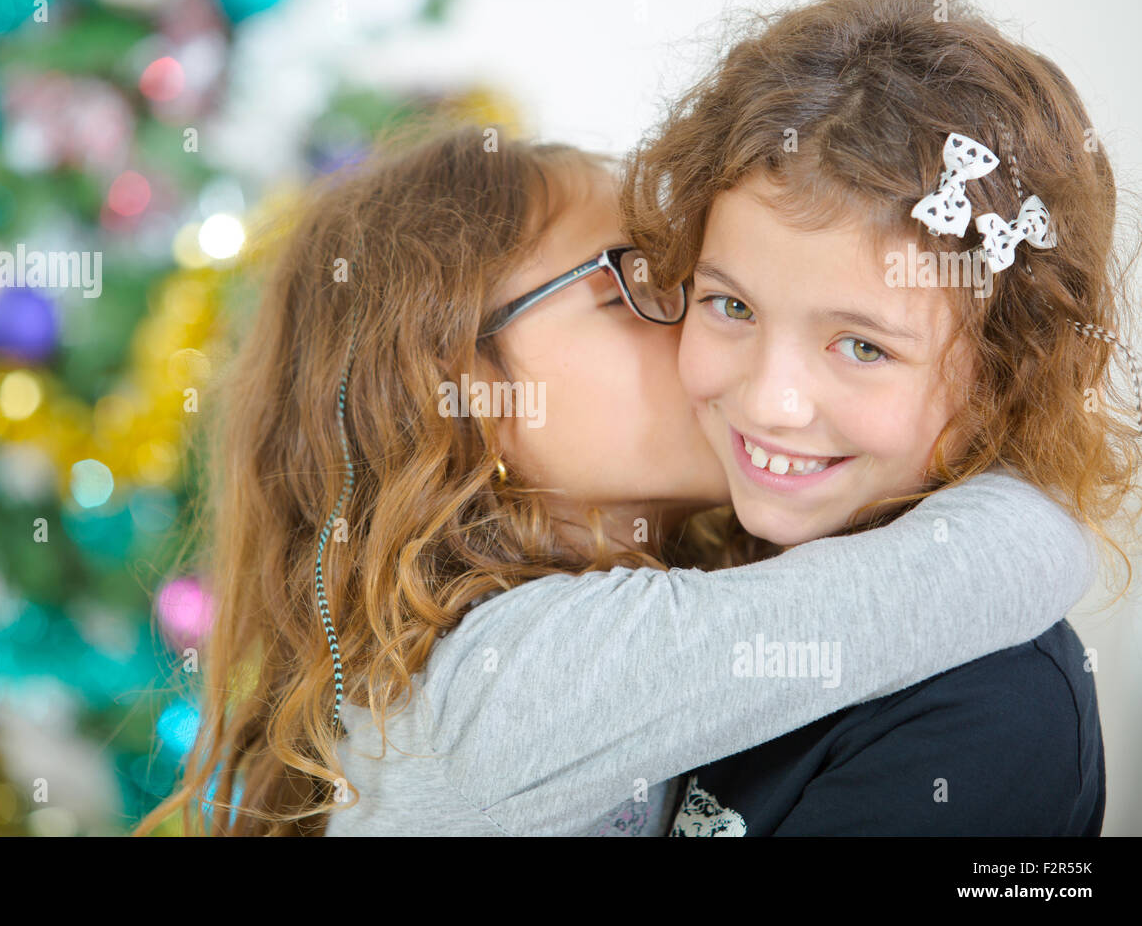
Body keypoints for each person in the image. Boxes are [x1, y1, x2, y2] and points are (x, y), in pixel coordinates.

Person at [136, 123, 1095, 838]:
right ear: (462, 387)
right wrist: (1037, 459)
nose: (697, 325)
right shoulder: (496, 680)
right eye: (632, 282)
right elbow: (966, 571)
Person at [617, 0, 1140, 835]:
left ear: (1007, 379)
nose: (771, 403)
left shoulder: (992, 714)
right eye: (732, 307)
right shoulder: (697, 549)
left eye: (864, 348)